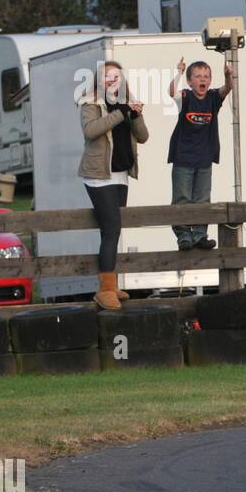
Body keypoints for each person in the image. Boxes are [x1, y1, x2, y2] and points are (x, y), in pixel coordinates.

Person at [78, 60, 148, 309]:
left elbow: (143, 137)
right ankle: (104, 289)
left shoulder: (127, 101)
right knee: (112, 229)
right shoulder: (90, 102)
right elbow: (91, 130)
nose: (112, 80)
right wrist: (121, 113)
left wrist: (136, 115)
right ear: (99, 80)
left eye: (116, 76)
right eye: (107, 76)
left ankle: (111, 283)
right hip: (98, 175)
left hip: (121, 174)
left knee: (113, 231)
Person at [167, 57, 233, 251]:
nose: (202, 79)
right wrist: (178, 72)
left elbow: (227, 89)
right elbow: (171, 93)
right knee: (182, 197)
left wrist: (228, 76)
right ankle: (183, 235)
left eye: (206, 76)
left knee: (202, 198)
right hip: (183, 157)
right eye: (197, 76)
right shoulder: (186, 96)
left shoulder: (213, 97)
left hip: (204, 158)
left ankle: (200, 234)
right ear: (190, 81)